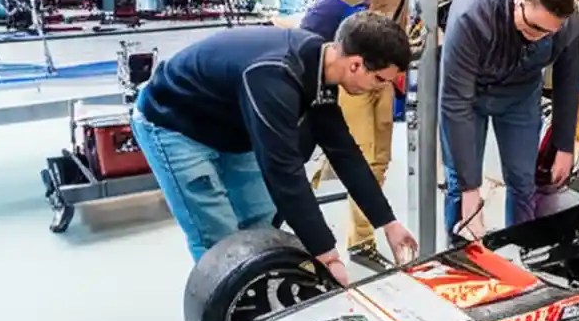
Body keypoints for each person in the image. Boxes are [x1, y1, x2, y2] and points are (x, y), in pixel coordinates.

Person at [130, 14, 419, 287]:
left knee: (261, 222)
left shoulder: (321, 65)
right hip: (174, 124)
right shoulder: (274, 75)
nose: (381, 89)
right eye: (380, 80)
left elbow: (342, 149)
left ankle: (261, 303)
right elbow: (283, 170)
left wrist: (388, 222)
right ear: (356, 64)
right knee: (221, 243)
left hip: (228, 125)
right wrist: (325, 252)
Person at [274, 0, 460, 270]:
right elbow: (314, 26)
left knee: (380, 160)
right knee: (345, 156)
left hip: (380, 79)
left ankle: (361, 236)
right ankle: (323, 241)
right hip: (349, 75)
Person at [439, 0, 579, 240]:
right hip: (469, 97)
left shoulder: (570, 25)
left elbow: (569, 83)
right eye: (531, 26)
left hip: (520, 96)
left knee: (522, 181)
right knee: (460, 185)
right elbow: (455, 102)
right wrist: (471, 190)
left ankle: (521, 250)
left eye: (546, 33)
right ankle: (457, 253)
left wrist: (564, 146)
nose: (536, 37)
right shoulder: (472, 13)